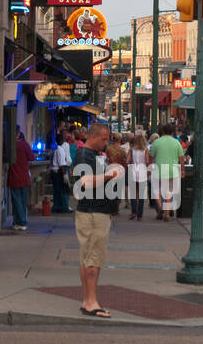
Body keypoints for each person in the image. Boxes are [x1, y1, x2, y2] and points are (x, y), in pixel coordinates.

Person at [72, 122, 125, 318]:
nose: (107, 142)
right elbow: (84, 182)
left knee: (87, 258)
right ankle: (92, 302)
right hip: (94, 213)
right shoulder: (85, 155)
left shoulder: (91, 155)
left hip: (93, 211)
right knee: (94, 258)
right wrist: (111, 174)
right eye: (104, 139)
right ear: (92, 137)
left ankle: (87, 301)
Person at [149, 124, 184, 221]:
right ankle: (167, 214)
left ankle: (160, 208)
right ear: (172, 132)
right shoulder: (176, 142)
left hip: (159, 169)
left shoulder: (157, 142)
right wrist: (182, 170)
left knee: (156, 191)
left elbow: (151, 157)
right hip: (172, 170)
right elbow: (181, 158)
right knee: (169, 192)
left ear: (163, 131)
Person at [7, 129, 33, 231]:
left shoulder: (9, 145)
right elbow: (31, 157)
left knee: (16, 201)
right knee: (23, 201)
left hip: (13, 176)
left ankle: (18, 221)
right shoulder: (24, 145)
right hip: (24, 177)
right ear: (18, 134)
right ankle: (22, 221)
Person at [50, 129, 73, 213]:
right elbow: (61, 164)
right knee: (63, 189)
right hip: (58, 171)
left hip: (55, 171)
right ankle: (64, 207)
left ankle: (57, 206)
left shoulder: (56, 149)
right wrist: (64, 174)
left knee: (58, 190)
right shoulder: (60, 150)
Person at [128, 131, 149, 221]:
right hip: (142, 171)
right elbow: (147, 161)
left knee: (133, 192)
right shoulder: (145, 150)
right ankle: (140, 215)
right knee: (141, 194)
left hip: (133, 170)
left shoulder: (131, 149)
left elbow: (127, 160)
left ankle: (134, 212)